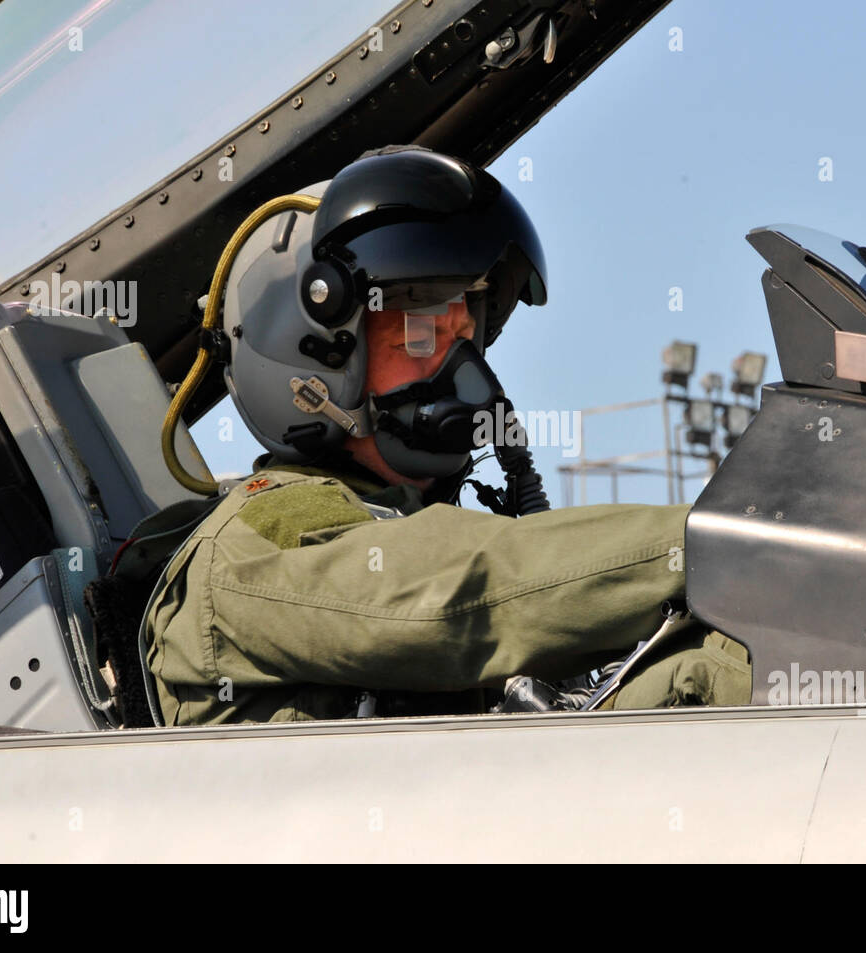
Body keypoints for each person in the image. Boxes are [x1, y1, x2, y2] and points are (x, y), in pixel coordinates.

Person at [142, 146, 751, 726]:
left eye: (464, 337)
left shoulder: (395, 519)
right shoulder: (258, 544)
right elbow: (458, 593)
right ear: (314, 372)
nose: (466, 373)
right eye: (420, 338)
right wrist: (730, 544)